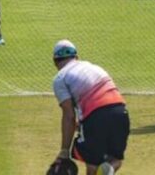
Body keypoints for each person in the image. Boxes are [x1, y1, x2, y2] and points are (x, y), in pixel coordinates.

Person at [48, 39, 129, 175]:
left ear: (55, 62)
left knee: (92, 165)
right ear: (76, 57)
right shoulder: (94, 67)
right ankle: (109, 169)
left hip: (95, 114)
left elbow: (69, 116)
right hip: (121, 111)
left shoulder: (60, 78)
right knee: (115, 159)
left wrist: (64, 151)